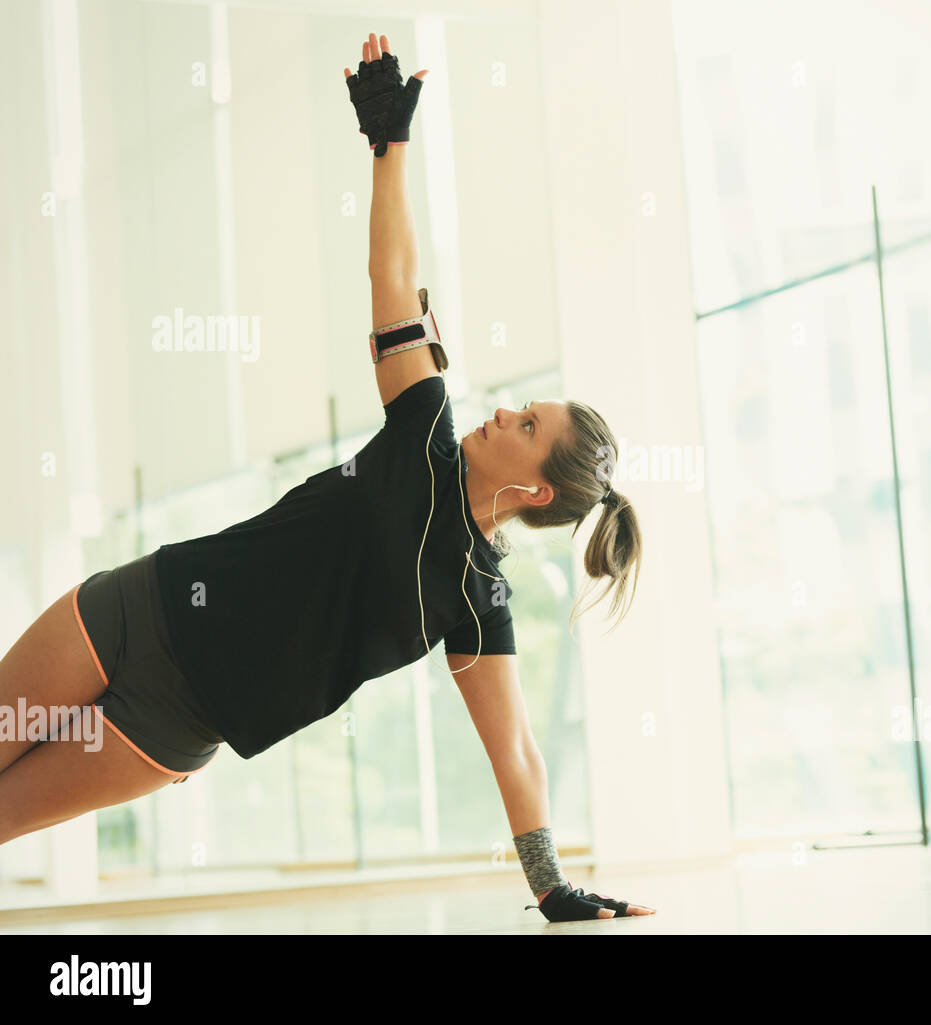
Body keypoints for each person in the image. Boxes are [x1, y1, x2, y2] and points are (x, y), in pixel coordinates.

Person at [0, 31, 652, 924]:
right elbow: (394, 274)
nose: (506, 412)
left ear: (538, 488)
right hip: (132, 608)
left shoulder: (475, 596)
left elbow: (517, 754)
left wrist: (551, 885)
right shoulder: (425, 432)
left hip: (175, 723)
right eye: (522, 406)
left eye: (528, 426)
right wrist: (390, 148)